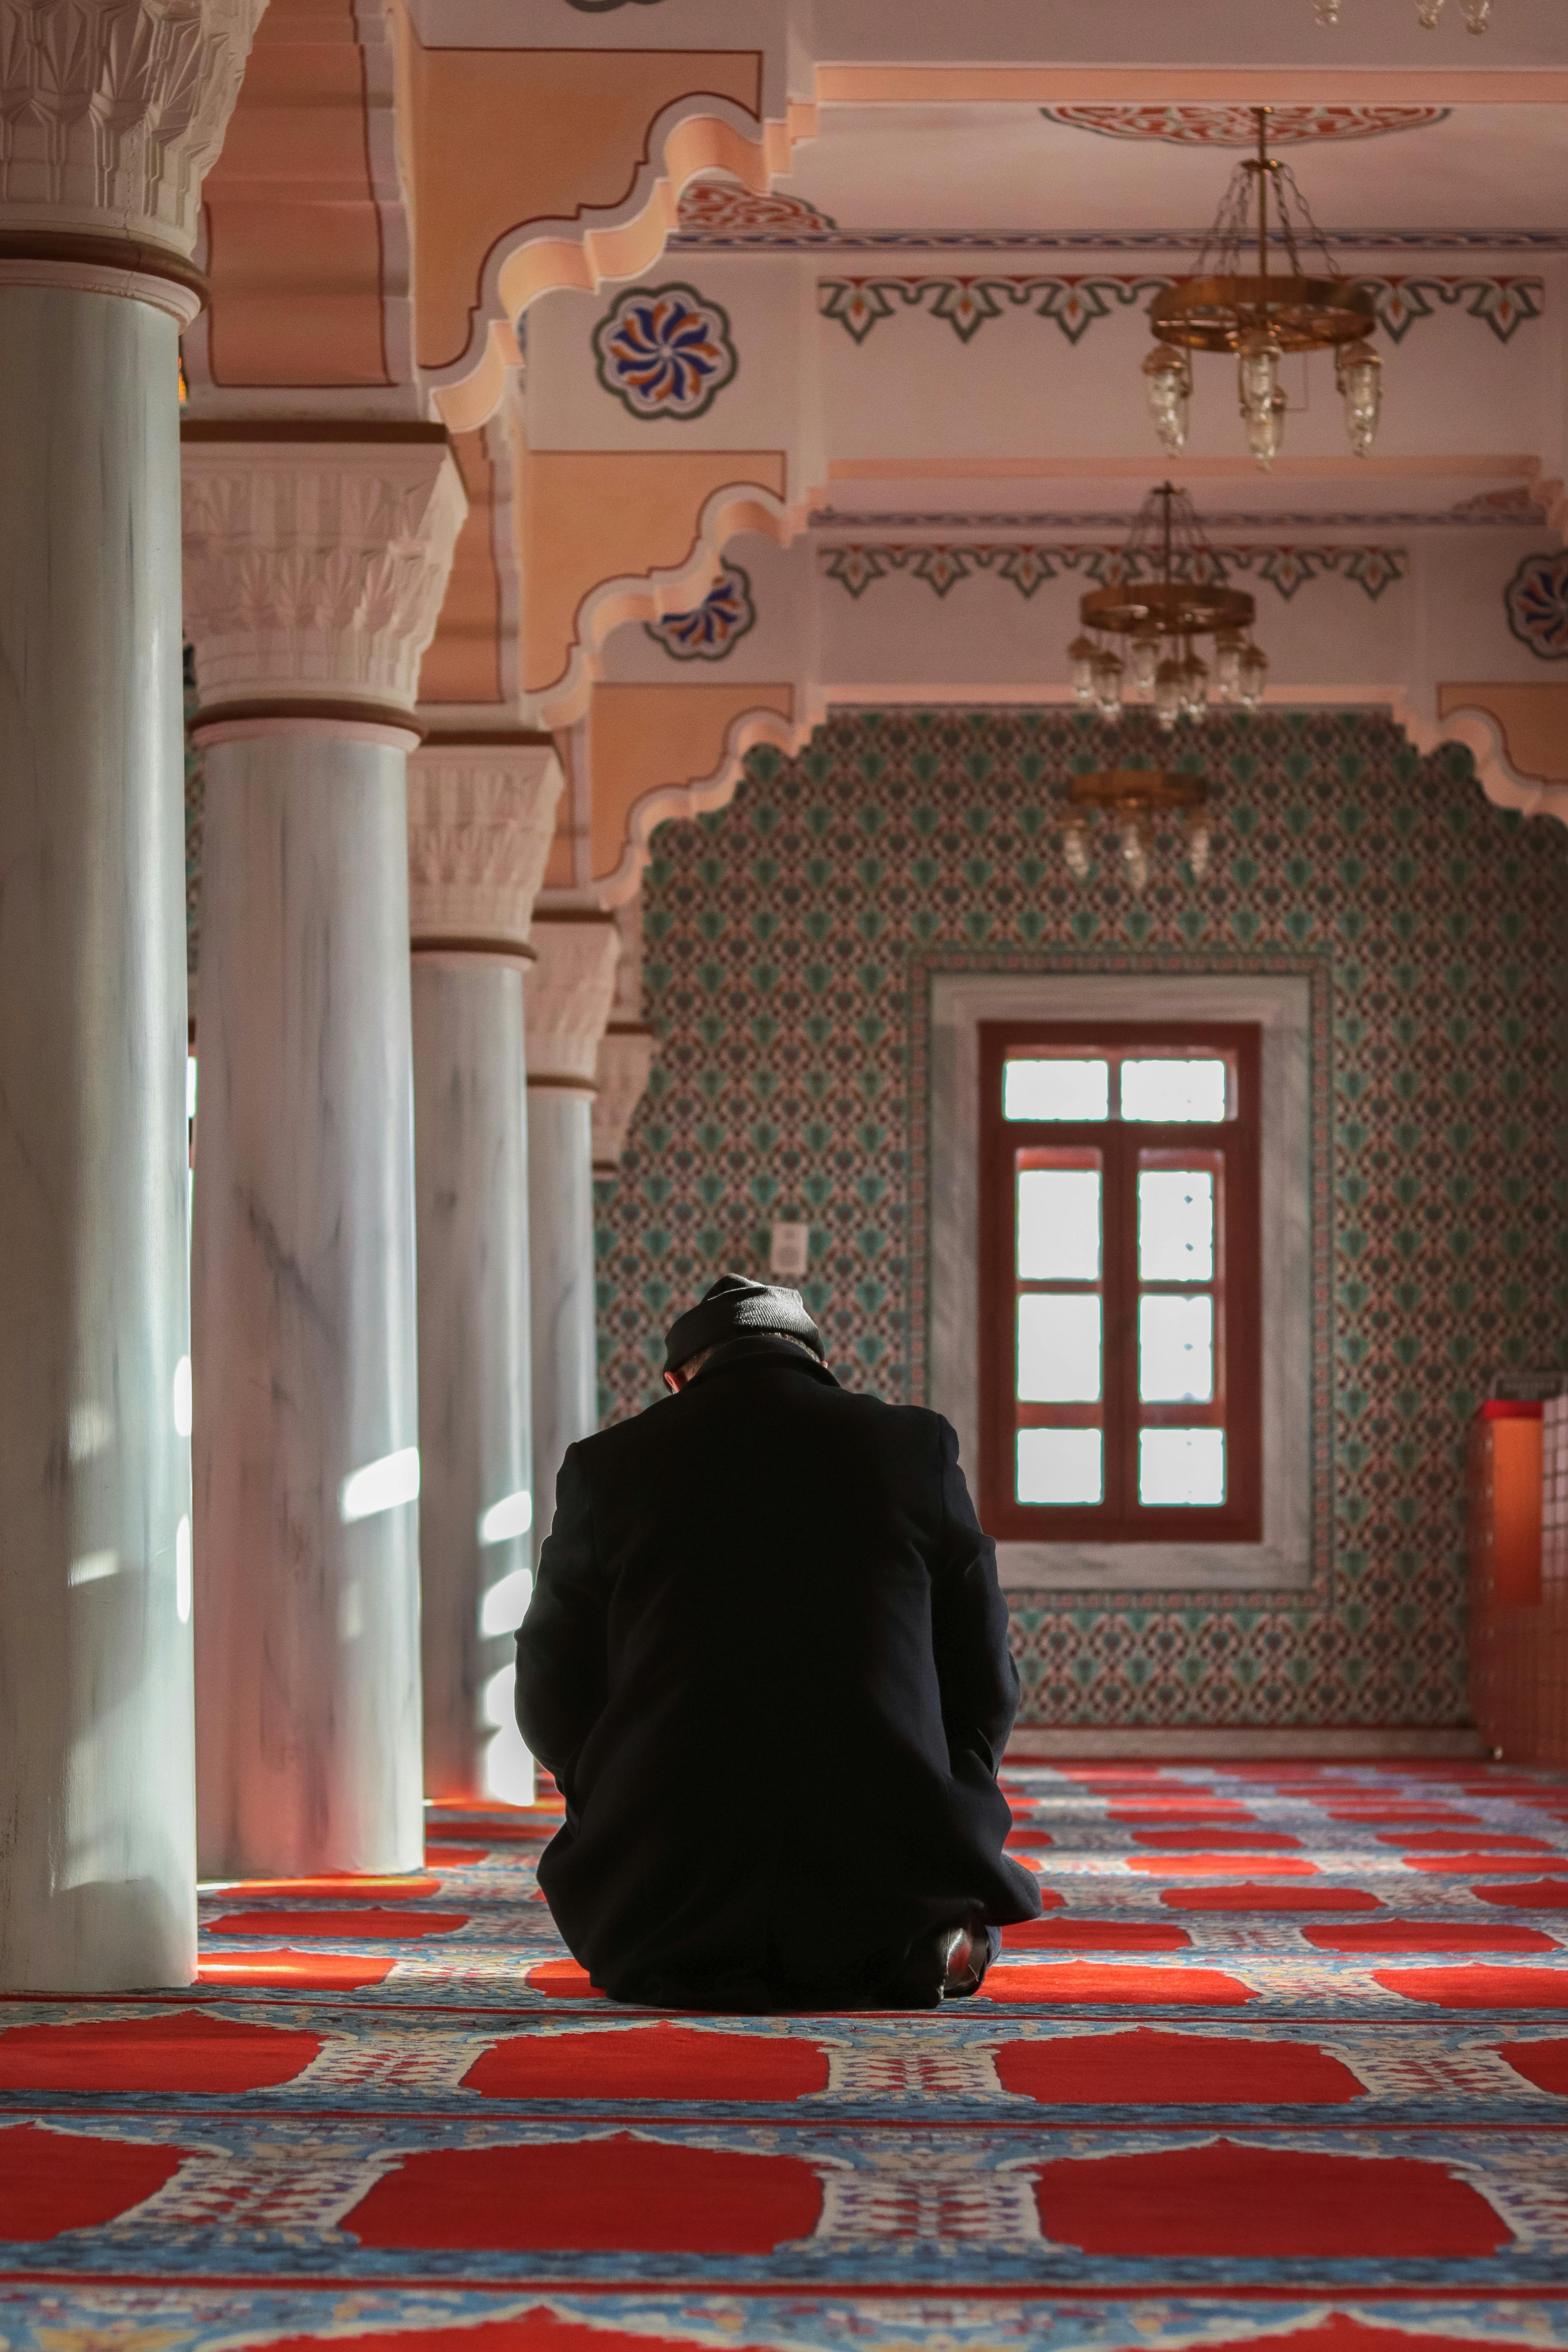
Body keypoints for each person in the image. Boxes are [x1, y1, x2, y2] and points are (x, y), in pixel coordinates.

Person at [514, 1273, 1041, 2008]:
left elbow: (546, 1691)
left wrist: (612, 1790)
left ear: (679, 1378)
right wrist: (941, 1797)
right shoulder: (913, 1446)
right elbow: (985, 1677)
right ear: (817, 1362)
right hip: (887, 1910)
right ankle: (938, 1937)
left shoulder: (608, 1466)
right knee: (923, 1910)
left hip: (660, 1917)